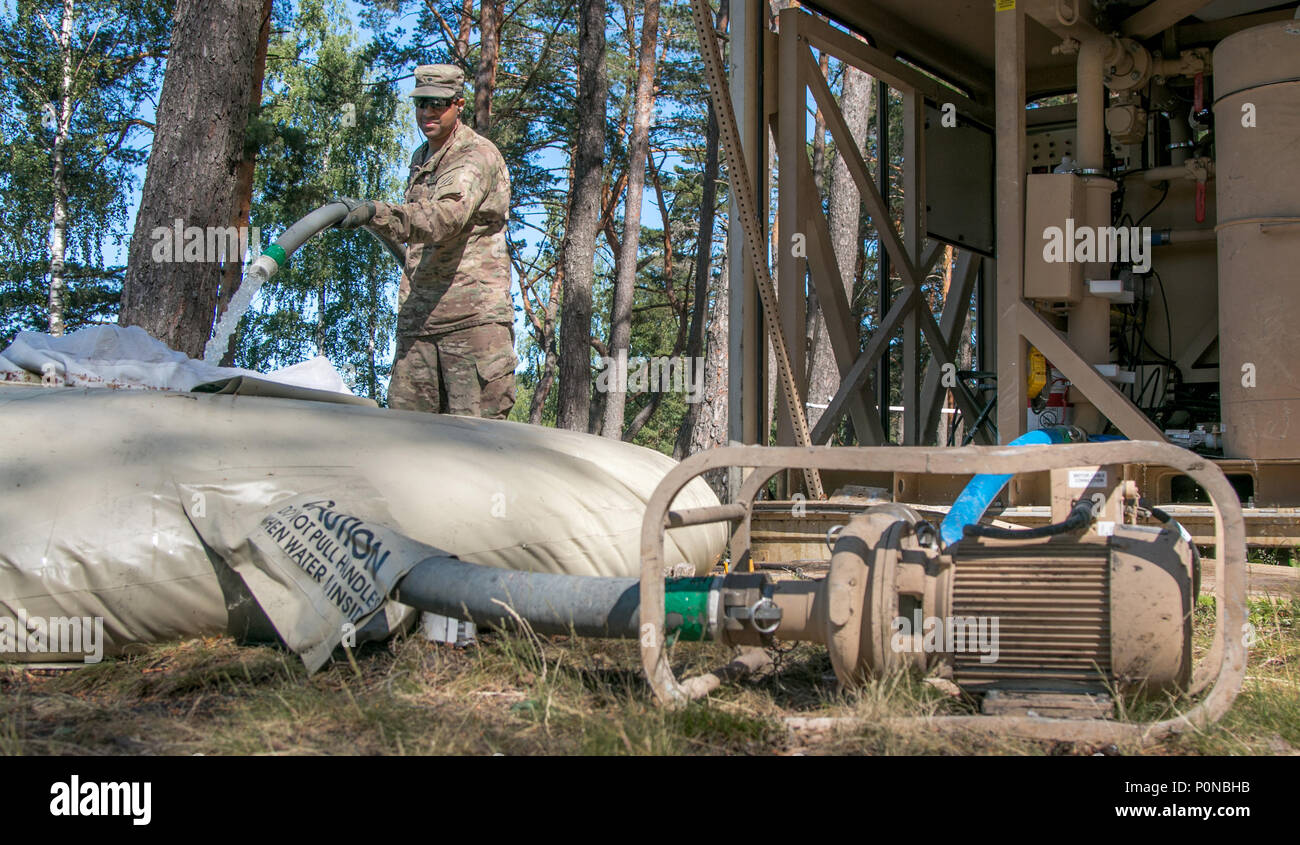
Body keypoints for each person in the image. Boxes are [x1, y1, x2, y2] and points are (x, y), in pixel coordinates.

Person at [336, 64, 516, 419]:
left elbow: (444, 219)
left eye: (438, 103)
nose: (427, 112)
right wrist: (368, 216)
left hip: (471, 325)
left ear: (459, 104)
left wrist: (376, 212)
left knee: (475, 450)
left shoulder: (475, 156)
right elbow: (418, 230)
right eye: (421, 103)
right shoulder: (422, 158)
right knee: (407, 441)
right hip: (419, 325)